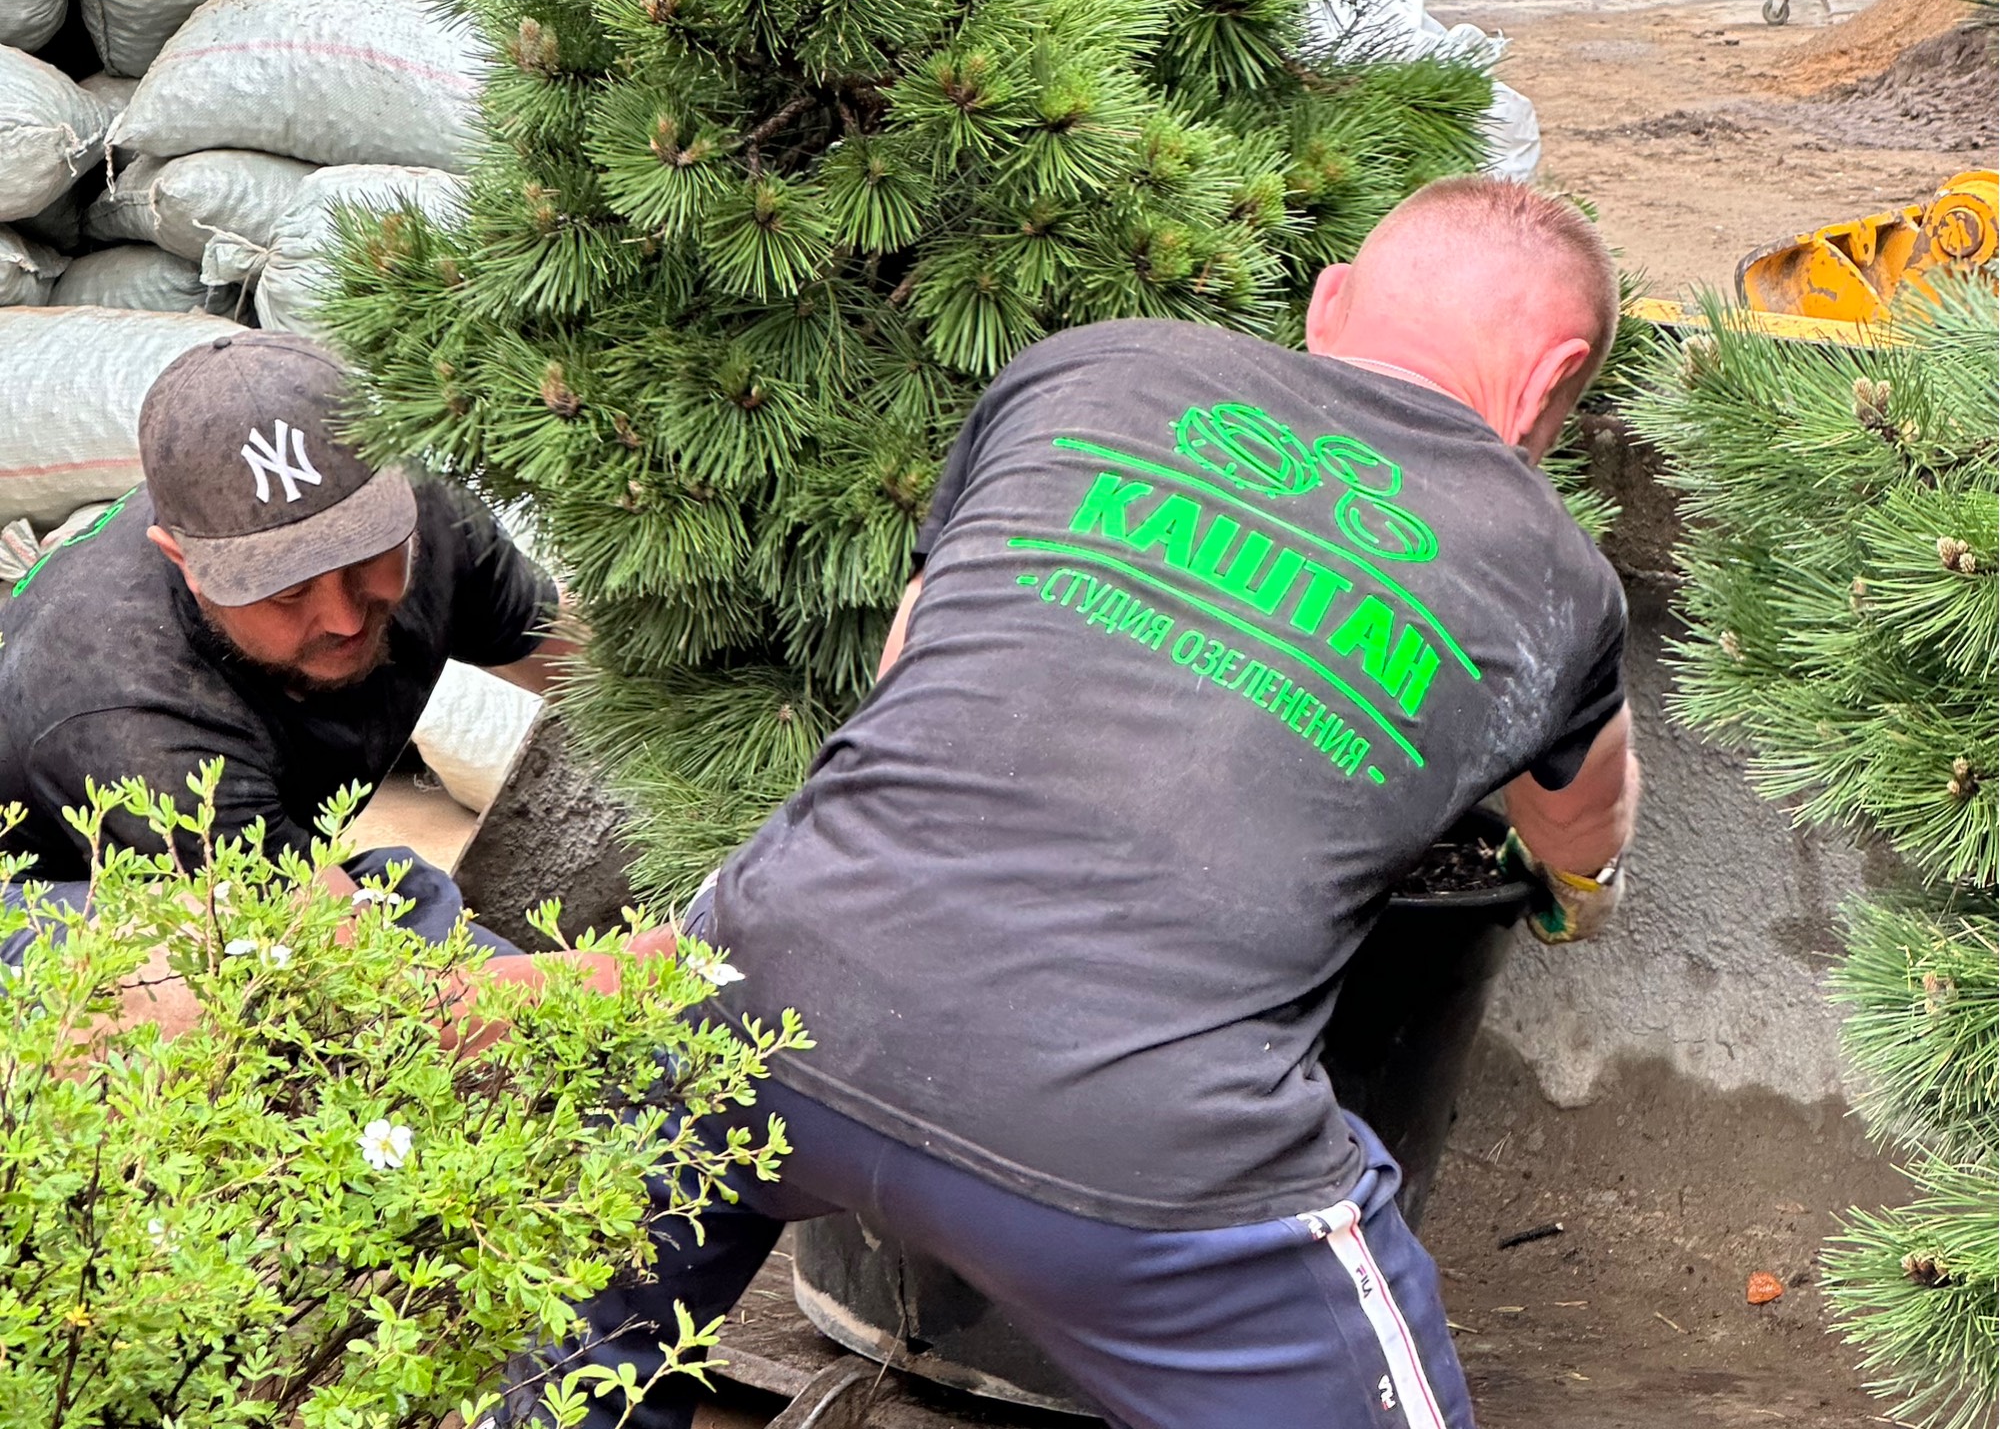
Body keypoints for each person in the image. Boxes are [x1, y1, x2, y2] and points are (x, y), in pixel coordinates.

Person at [545, 177, 1642, 1429]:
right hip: (1133, 1135)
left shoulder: (1080, 369)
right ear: (1552, 377)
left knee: (554, 1363)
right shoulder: (1551, 570)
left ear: (1329, 302)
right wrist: (1581, 892)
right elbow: (1578, 833)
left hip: (767, 985)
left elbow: (906, 673)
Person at [0, 331, 573, 921]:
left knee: (406, 894)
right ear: (183, 561)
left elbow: (587, 665)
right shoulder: (132, 723)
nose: (345, 618)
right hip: (49, 909)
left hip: (250, 850)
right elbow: (347, 962)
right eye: (287, 592)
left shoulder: (415, 519)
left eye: (361, 562)